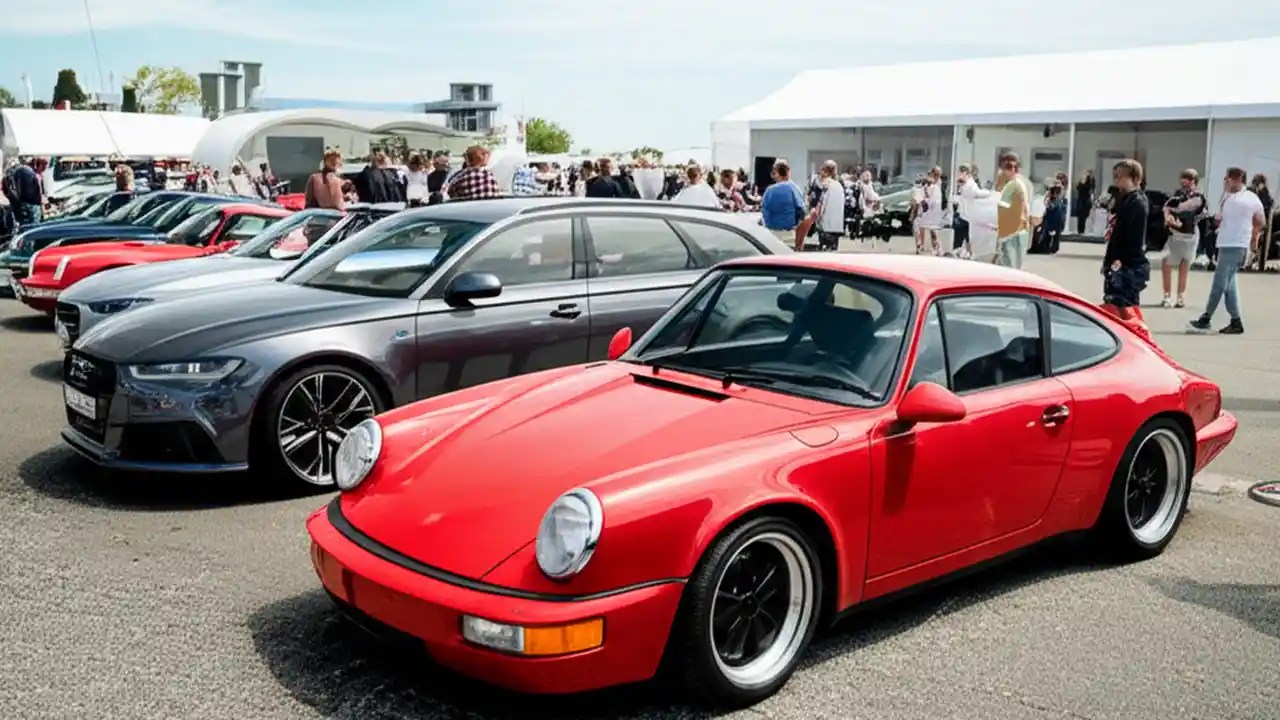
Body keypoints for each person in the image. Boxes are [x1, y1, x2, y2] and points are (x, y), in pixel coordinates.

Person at [1188, 167, 1263, 335]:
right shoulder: (1231, 197)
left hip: (1235, 245)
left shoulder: (1245, 199)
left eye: (1227, 179)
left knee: (1219, 283)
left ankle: (1206, 318)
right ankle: (1236, 321)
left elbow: (1259, 221)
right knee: (1229, 285)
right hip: (1227, 243)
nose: (1225, 181)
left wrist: (1252, 238)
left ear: (1237, 180)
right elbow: (1220, 218)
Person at [1102, 159, 1150, 314]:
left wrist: (1118, 262)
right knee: (1114, 305)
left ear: (1135, 179)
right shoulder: (1124, 200)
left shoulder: (1137, 202)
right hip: (1118, 262)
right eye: (1115, 177)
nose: (1117, 181)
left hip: (1127, 264)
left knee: (1125, 308)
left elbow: (1130, 237)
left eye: (1121, 177)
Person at [1159, 169, 1206, 308]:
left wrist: (1172, 212)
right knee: (1166, 264)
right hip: (1174, 234)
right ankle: (1167, 296)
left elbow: (1184, 210)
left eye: (1188, 179)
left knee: (1184, 266)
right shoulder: (1177, 195)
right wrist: (1168, 217)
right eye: (1183, 178)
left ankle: (1180, 296)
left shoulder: (1198, 197)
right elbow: (1166, 209)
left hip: (1189, 236)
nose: (1184, 181)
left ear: (1194, 182)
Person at [994, 152, 1031, 268]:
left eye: (1016, 167)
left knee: (1010, 270)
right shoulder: (1019, 183)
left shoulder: (1012, 185)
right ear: (1001, 168)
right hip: (1019, 232)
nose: (1013, 170)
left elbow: (1001, 210)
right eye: (1009, 167)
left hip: (1012, 234)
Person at [759, 159, 806, 245]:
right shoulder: (794, 189)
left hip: (771, 233)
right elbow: (802, 211)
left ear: (777, 174)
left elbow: (764, 210)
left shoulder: (769, 190)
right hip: (789, 232)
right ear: (788, 173)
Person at [814, 160, 845, 251]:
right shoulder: (838, 185)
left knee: (825, 252)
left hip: (826, 226)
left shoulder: (827, 185)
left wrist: (818, 218)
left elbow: (823, 205)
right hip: (837, 226)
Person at [913, 167, 944, 255]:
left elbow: (930, 196)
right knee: (929, 228)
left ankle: (937, 247)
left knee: (932, 229)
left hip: (933, 209)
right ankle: (933, 247)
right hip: (931, 209)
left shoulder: (936, 183)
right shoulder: (933, 183)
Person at [1249, 173, 1273, 269]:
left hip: (1259, 220)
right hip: (1254, 219)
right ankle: (1253, 254)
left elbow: (1267, 206)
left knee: (1256, 235)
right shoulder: (1251, 191)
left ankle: (1253, 254)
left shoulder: (1264, 192)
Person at [1074, 170, 1096, 234]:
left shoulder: (1089, 183)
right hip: (1083, 200)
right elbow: (1079, 187)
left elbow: (1081, 187)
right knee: (1082, 217)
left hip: (1084, 200)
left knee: (1082, 217)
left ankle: (1081, 230)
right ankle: (1081, 230)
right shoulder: (1084, 184)